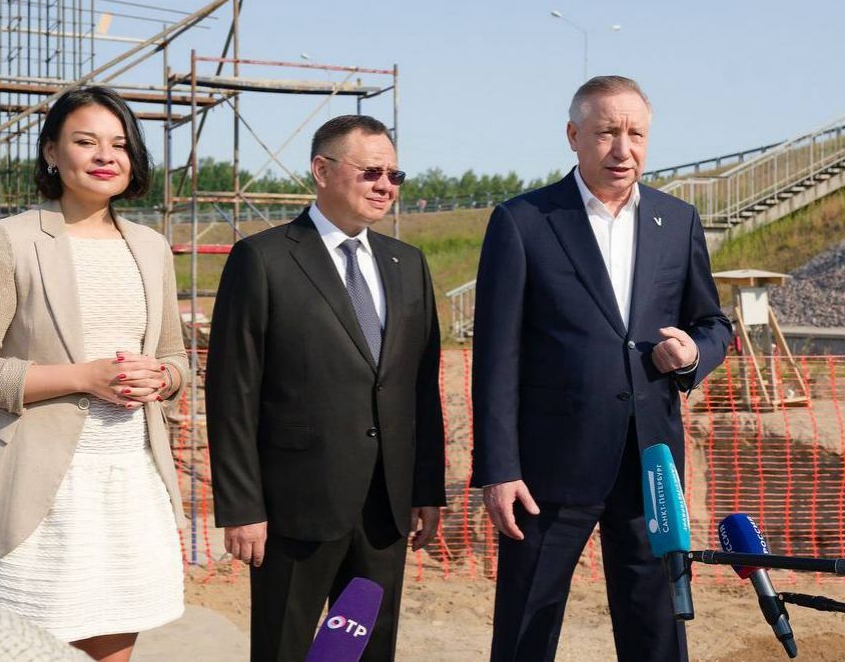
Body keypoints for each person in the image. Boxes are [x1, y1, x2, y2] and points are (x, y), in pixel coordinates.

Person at [471, 76, 732, 662]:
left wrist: (694, 354)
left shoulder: (677, 220)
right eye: (607, 132)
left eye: (636, 134)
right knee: (526, 629)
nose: (623, 149)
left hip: (651, 466)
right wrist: (499, 468)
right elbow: (495, 357)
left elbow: (713, 323)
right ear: (573, 135)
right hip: (547, 470)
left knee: (657, 627)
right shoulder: (523, 221)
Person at [0, 86, 190, 662]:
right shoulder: (8, 240)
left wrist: (162, 378)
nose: (106, 156)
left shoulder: (151, 247)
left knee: (113, 647)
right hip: (37, 489)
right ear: (52, 152)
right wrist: (84, 377)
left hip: (130, 480)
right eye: (86, 141)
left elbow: (178, 358)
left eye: (120, 145)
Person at [206, 114, 446, 662]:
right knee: (285, 648)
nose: (385, 185)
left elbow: (420, 389)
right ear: (321, 170)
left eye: (394, 175)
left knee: (364, 649)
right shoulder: (264, 259)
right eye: (371, 172)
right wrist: (241, 506)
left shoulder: (408, 264)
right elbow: (232, 394)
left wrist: (426, 488)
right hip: (295, 509)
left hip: (385, 509)